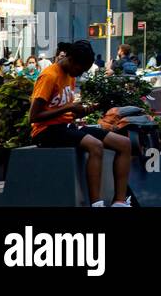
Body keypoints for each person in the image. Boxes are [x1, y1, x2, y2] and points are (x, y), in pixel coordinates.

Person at [28, 39, 133, 208]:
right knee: (95, 145)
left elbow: (66, 110)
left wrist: (89, 109)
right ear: (70, 59)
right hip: (46, 130)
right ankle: (96, 203)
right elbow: (33, 116)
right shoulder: (49, 76)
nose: (79, 73)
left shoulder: (69, 75)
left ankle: (119, 202)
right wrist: (68, 107)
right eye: (80, 69)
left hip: (66, 126)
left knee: (124, 143)